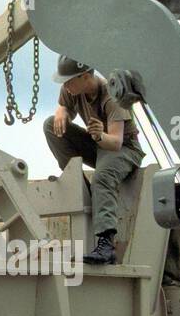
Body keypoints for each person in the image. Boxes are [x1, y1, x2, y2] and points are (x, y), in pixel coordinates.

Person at [42, 55, 144, 265]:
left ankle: (106, 244)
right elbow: (63, 106)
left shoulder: (111, 96)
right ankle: (77, 181)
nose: (66, 85)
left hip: (124, 148)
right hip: (97, 144)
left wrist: (99, 136)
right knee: (50, 124)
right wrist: (61, 111)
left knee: (103, 177)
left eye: (69, 81)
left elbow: (115, 142)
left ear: (86, 76)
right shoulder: (70, 90)